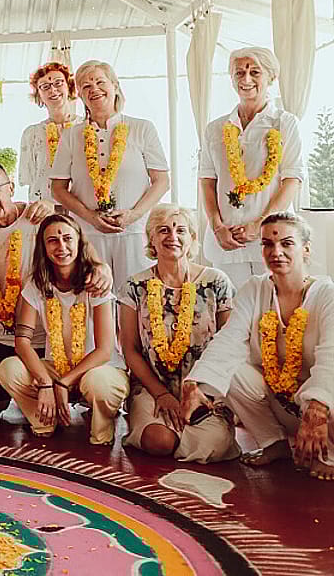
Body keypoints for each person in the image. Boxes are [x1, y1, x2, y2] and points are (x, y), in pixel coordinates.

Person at [183, 212, 334, 480]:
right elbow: (229, 339)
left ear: (306, 249)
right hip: (284, 401)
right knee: (233, 369)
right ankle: (274, 442)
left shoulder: (327, 295)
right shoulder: (255, 289)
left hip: (324, 405)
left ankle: (327, 451)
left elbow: (331, 358)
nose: (276, 252)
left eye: (287, 243)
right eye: (267, 244)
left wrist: (319, 406)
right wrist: (194, 383)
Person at [0, 163, 109, 418]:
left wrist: (102, 268)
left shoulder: (39, 218)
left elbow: (78, 245)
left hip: (45, 343)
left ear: (11, 188)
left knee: (55, 413)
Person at [120, 205, 239, 462]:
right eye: (163, 230)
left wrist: (199, 391)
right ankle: (162, 429)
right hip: (153, 387)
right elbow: (129, 349)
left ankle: (195, 432)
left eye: (180, 230)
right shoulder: (134, 285)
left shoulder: (216, 282)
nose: (172, 236)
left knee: (213, 447)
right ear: (151, 239)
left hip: (204, 388)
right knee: (159, 442)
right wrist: (161, 394)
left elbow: (230, 344)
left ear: (192, 238)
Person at [0, 214, 128, 444]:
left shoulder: (95, 281)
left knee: (99, 383)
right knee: (8, 369)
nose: (62, 247)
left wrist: (63, 382)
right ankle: (45, 419)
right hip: (56, 367)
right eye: (53, 241)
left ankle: (101, 432)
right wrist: (47, 382)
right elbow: (22, 341)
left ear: (79, 242)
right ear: (44, 248)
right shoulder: (36, 283)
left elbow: (105, 350)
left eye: (67, 238)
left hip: (99, 369)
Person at [51, 60, 170, 289]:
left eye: (99, 82)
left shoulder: (142, 128)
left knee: (137, 296)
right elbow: (57, 188)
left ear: (115, 86)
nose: (93, 89)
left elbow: (161, 181)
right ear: (81, 97)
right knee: (95, 297)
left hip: (135, 233)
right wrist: (90, 217)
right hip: (88, 233)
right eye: (86, 87)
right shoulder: (71, 135)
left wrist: (133, 215)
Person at [199, 47, 303, 290]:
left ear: (271, 78)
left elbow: (292, 179)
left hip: (271, 238)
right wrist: (217, 226)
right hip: (225, 240)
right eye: (239, 73)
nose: (246, 79)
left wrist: (259, 225)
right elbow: (207, 180)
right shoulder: (216, 128)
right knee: (233, 313)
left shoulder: (284, 122)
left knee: (272, 311)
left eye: (254, 72)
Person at [19, 62, 80, 205]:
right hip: (44, 212)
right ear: (39, 95)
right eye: (45, 86)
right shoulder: (31, 134)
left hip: (82, 211)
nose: (53, 90)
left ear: (69, 86)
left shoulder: (87, 127)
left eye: (58, 83)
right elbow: (29, 179)